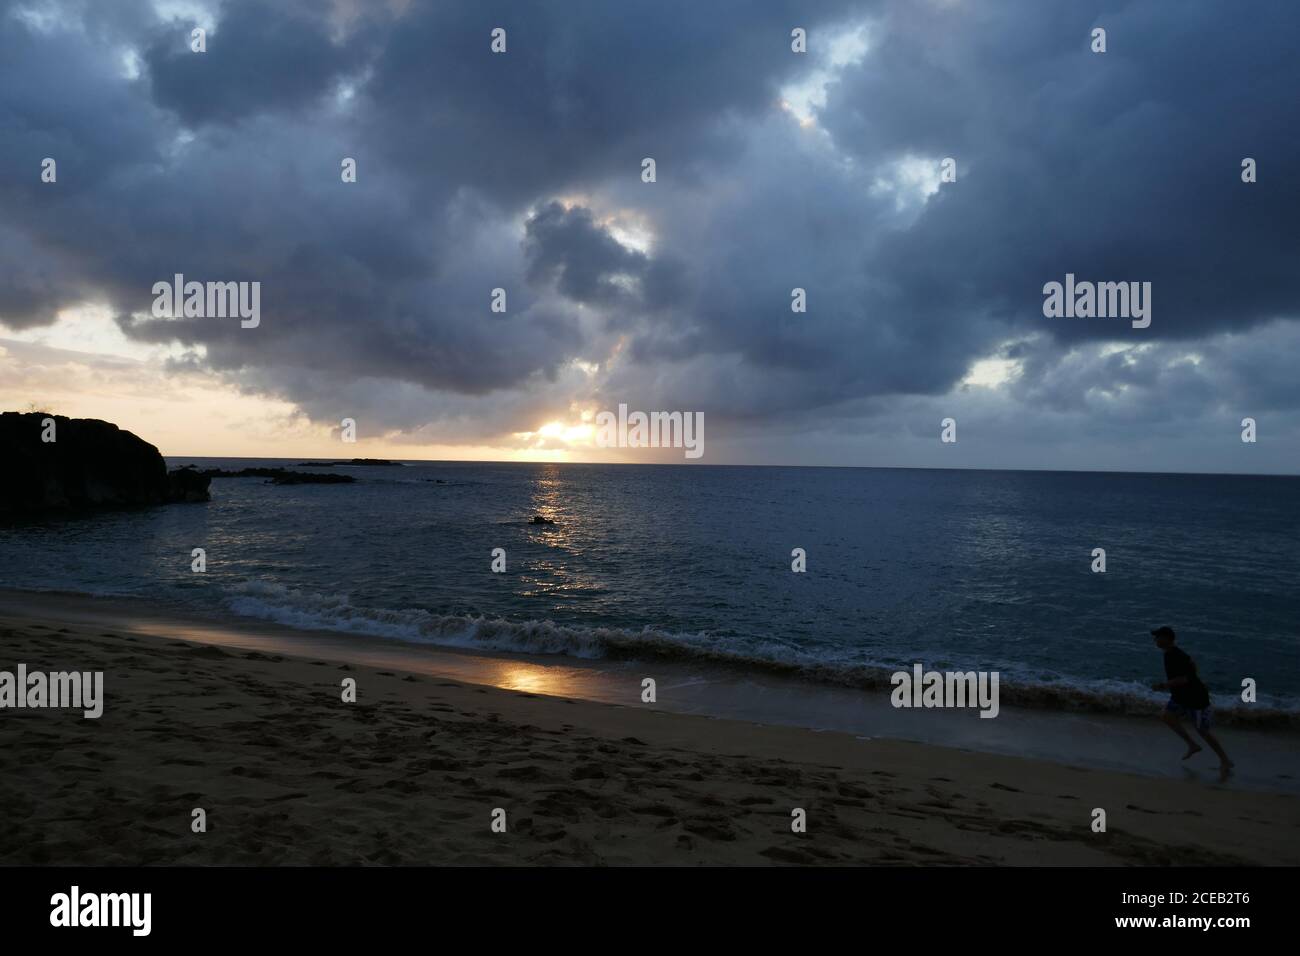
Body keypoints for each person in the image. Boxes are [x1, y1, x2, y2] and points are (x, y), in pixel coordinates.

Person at [1151, 626, 1233, 780]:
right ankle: (1192, 745)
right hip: (1180, 697)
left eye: (1158, 637)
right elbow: (1192, 665)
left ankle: (1225, 760)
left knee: (1203, 731)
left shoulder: (1175, 655)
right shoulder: (1169, 654)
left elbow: (1184, 678)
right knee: (1166, 716)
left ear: (1168, 639)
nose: (1155, 640)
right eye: (1155, 637)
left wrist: (1162, 685)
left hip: (1195, 698)